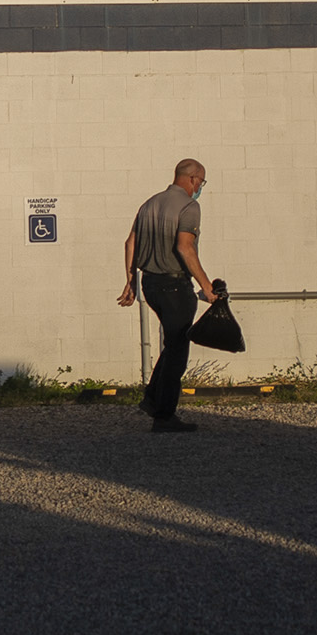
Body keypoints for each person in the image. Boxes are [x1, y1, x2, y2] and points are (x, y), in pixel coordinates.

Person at [119, 158, 216, 433]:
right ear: (193, 179)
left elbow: (130, 243)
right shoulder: (189, 206)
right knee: (178, 352)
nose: (200, 188)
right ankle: (164, 415)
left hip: (150, 285)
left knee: (172, 344)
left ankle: (152, 399)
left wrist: (131, 282)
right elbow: (185, 248)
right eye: (201, 182)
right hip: (175, 287)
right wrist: (206, 287)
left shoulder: (149, 204)